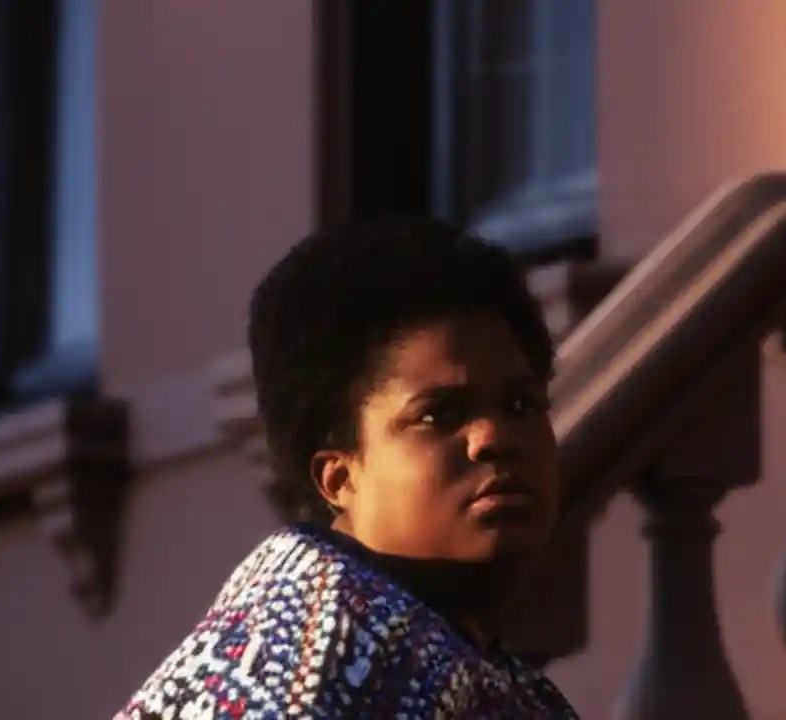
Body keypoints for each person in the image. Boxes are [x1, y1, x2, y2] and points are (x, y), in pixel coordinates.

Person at [116, 218, 578, 718]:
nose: (495, 438)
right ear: (339, 478)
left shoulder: (510, 686)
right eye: (437, 415)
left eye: (521, 405)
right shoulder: (292, 671)